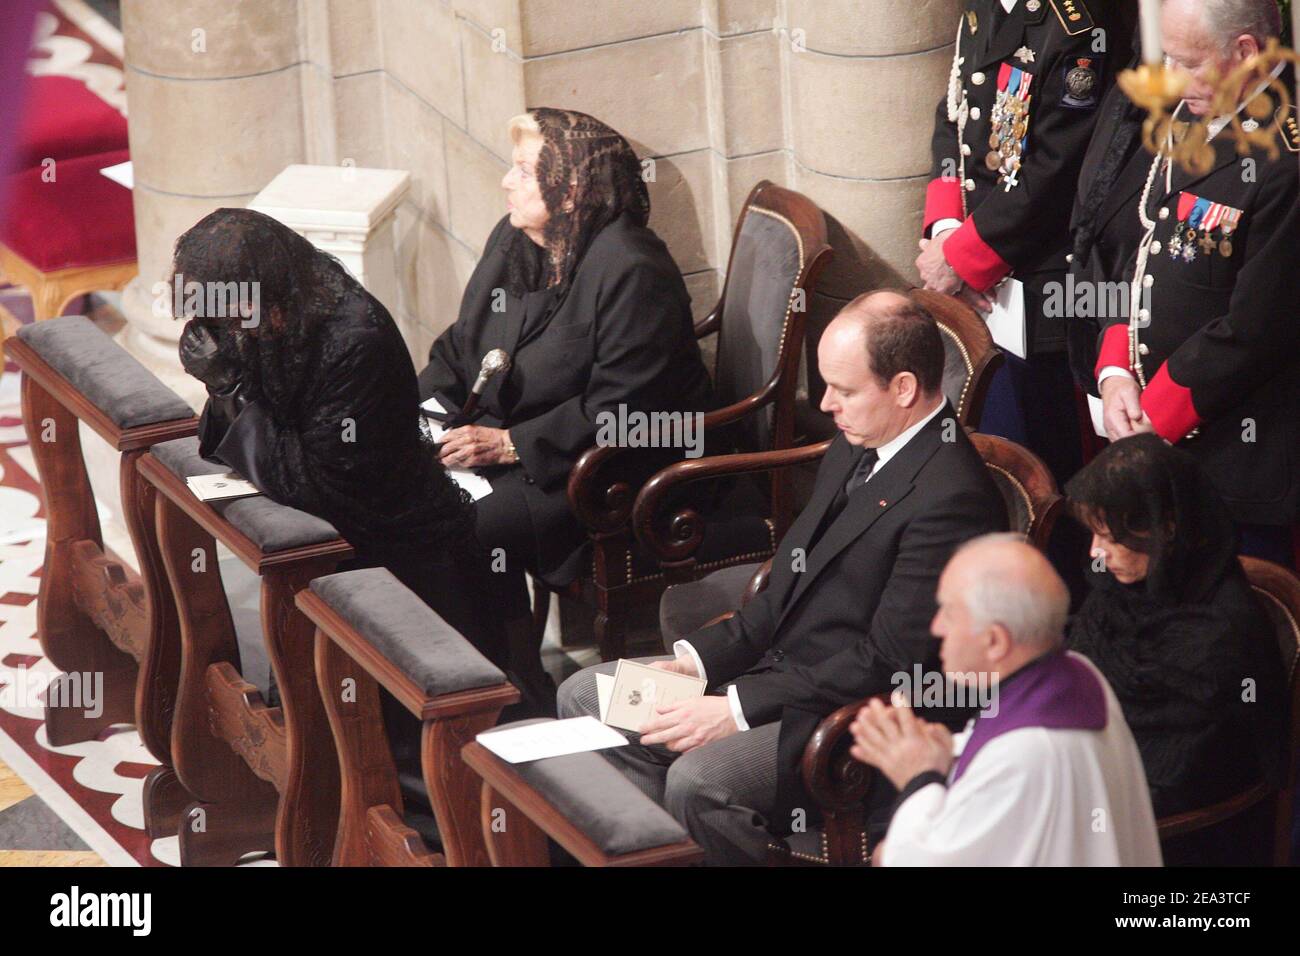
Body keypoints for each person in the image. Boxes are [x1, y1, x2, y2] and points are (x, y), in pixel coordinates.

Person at [558, 291, 1006, 865]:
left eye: (843, 390)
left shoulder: (951, 499)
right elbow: (788, 579)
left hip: (847, 719)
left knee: (699, 782)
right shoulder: (861, 441)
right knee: (584, 696)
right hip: (776, 675)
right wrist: (697, 664)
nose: (826, 404)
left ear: (903, 388)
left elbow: (888, 661)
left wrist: (735, 708)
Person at [417, 108, 712, 700]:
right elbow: (462, 342)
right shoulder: (516, 239)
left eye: (524, 172)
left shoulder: (632, 268)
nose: (507, 182)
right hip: (517, 444)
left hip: (600, 470)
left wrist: (507, 445)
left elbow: (628, 410)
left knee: (460, 526)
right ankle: (436, 685)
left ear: (572, 190)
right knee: (405, 493)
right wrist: (426, 413)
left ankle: (505, 695)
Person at [174, 207, 507, 676]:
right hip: (337, 528)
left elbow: (315, 482)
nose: (229, 327)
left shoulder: (354, 339)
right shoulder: (269, 311)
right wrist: (226, 385)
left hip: (395, 551)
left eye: (231, 313)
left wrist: (231, 388)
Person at [1075, 0, 1299, 566]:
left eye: (1188, 62)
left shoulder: (1287, 157)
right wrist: (1116, 367)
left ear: (1246, 53)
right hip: (1154, 433)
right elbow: (1136, 243)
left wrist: (1159, 409)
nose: (1171, 78)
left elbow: (1257, 327)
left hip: (1236, 456)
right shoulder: (1193, 108)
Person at [919, 0, 1134, 484]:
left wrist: (962, 258)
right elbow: (953, 115)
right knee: (992, 453)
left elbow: (1055, 172)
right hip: (981, 277)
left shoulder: (1077, 29)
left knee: (1045, 470)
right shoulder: (985, 8)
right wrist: (946, 230)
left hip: (1041, 288)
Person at [853, 533, 1162, 866]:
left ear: (995, 642)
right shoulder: (1077, 672)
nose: (937, 626)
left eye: (949, 612)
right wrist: (944, 751)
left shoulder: (1025, 755)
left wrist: (918, 776)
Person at [1065, 434, 1286, 862]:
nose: (1095, 553)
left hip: (1181, 835)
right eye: (1094, 534)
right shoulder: (1119, 588)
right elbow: (1079, 676)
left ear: (1164, 531)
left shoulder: (1220, 635)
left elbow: (1178, 775)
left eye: (1110, 538)